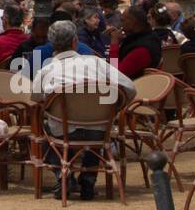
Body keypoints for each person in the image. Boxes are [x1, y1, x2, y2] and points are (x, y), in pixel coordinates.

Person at [31, 20, 136, 200]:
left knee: (45, 132)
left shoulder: (47, 70)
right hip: (99, 127)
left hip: (63, 130)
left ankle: (63, 175)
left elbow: (35, 98)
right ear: (75, 41)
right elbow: (130, 88)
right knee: (94, 135)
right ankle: (88, 179)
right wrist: (115, 106)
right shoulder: (98, 64)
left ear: (51, 44)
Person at [109, 5, 161, 78]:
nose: (120, 24)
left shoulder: (142, 49)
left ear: (133, 22)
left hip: (131, 87)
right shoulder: (147, 35)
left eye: (123, 20)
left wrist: (114, 43)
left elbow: (115, 75)